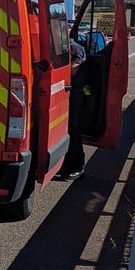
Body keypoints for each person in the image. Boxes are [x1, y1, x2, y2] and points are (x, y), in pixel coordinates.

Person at [57, 26, 86, 181]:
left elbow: (73, 70)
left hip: (74, 95)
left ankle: (78, 167)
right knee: (62, 130)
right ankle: (65, 164)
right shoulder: (60, 48)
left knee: (72, 130)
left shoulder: (75, 49)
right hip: (63, 94)